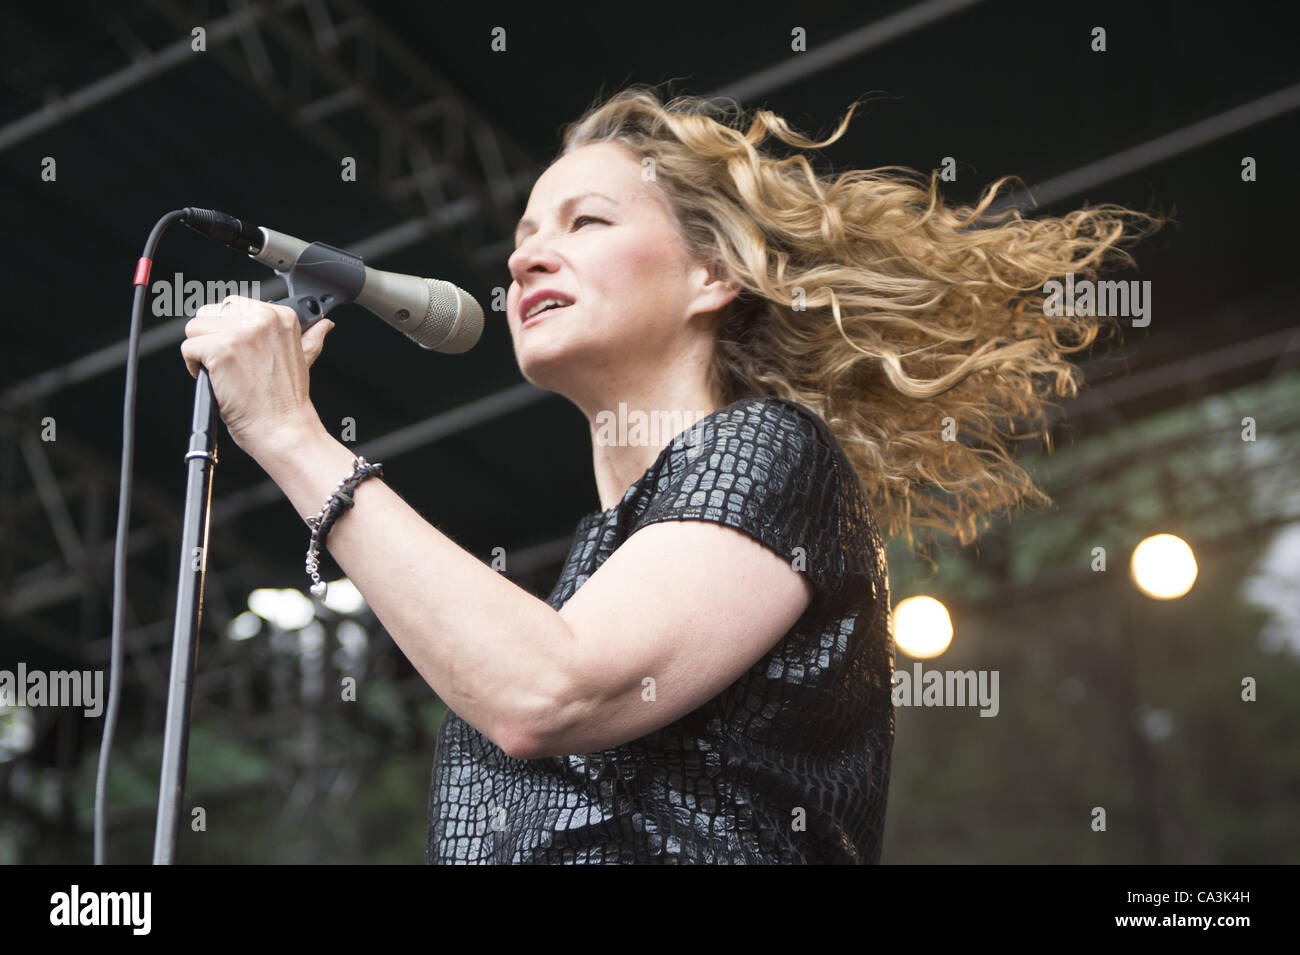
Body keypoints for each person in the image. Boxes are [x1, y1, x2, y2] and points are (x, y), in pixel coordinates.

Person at [181, 85, 1161, 863]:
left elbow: (546, 692)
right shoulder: (590, 575)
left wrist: (293, 437)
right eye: (523, 237)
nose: (526, 260)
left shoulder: (770, 450)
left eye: (585, 222)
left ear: (712, 274)